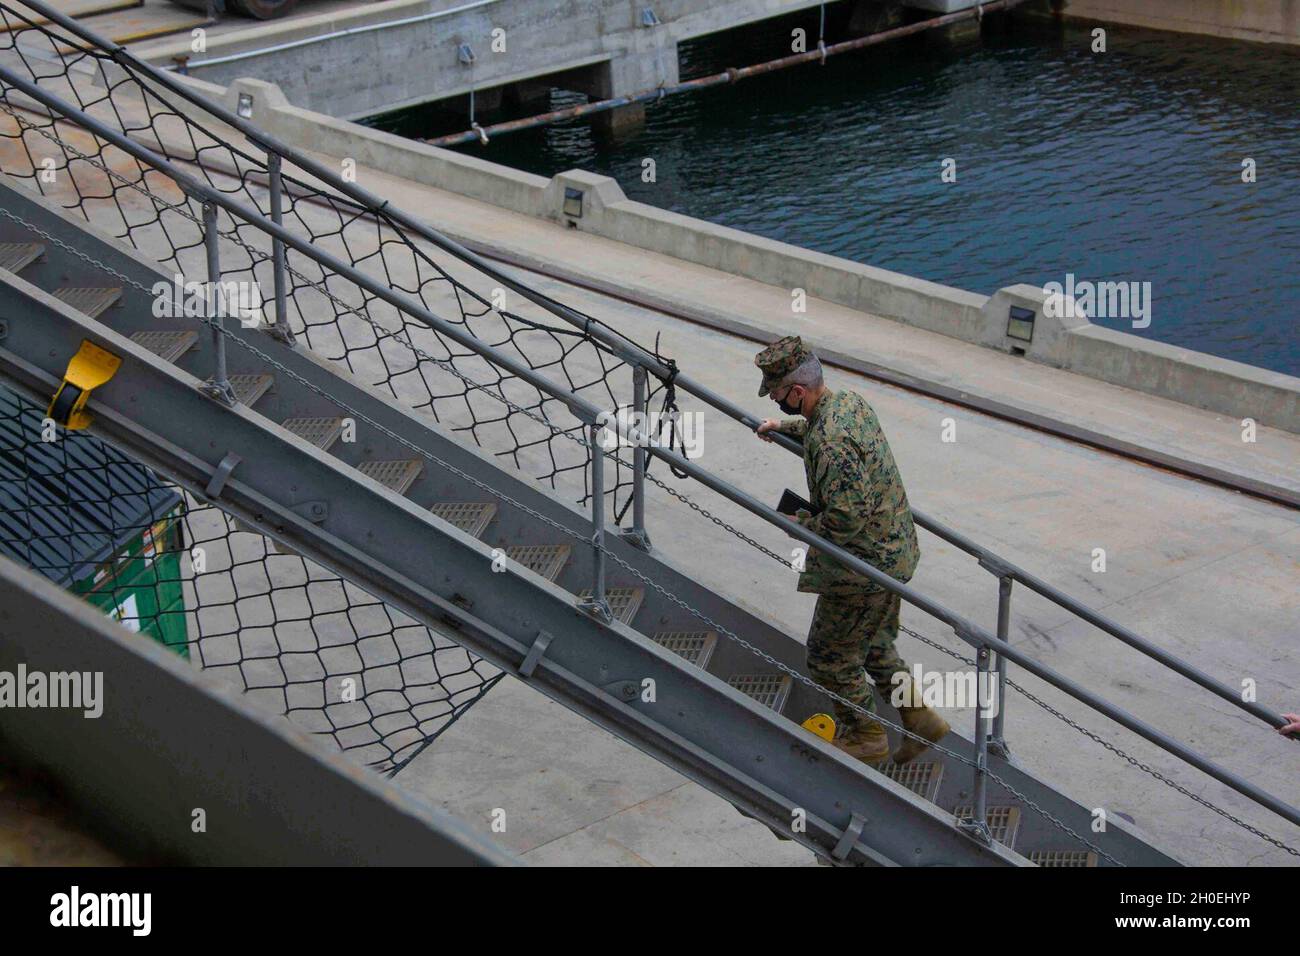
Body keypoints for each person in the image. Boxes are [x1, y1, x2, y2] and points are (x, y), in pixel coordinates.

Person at [754, 335, 948, 767]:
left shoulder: (830, 443)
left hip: (864, 567)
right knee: (875, 643)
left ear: (798, 392)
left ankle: (867, 735)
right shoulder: (848, 404)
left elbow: (846, 519)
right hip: (894, 552)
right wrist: (783, 427)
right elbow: (818, 427)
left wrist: (800, 524)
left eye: (780, 395)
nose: (779, 401)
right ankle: (920, 720)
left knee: (829, 658)